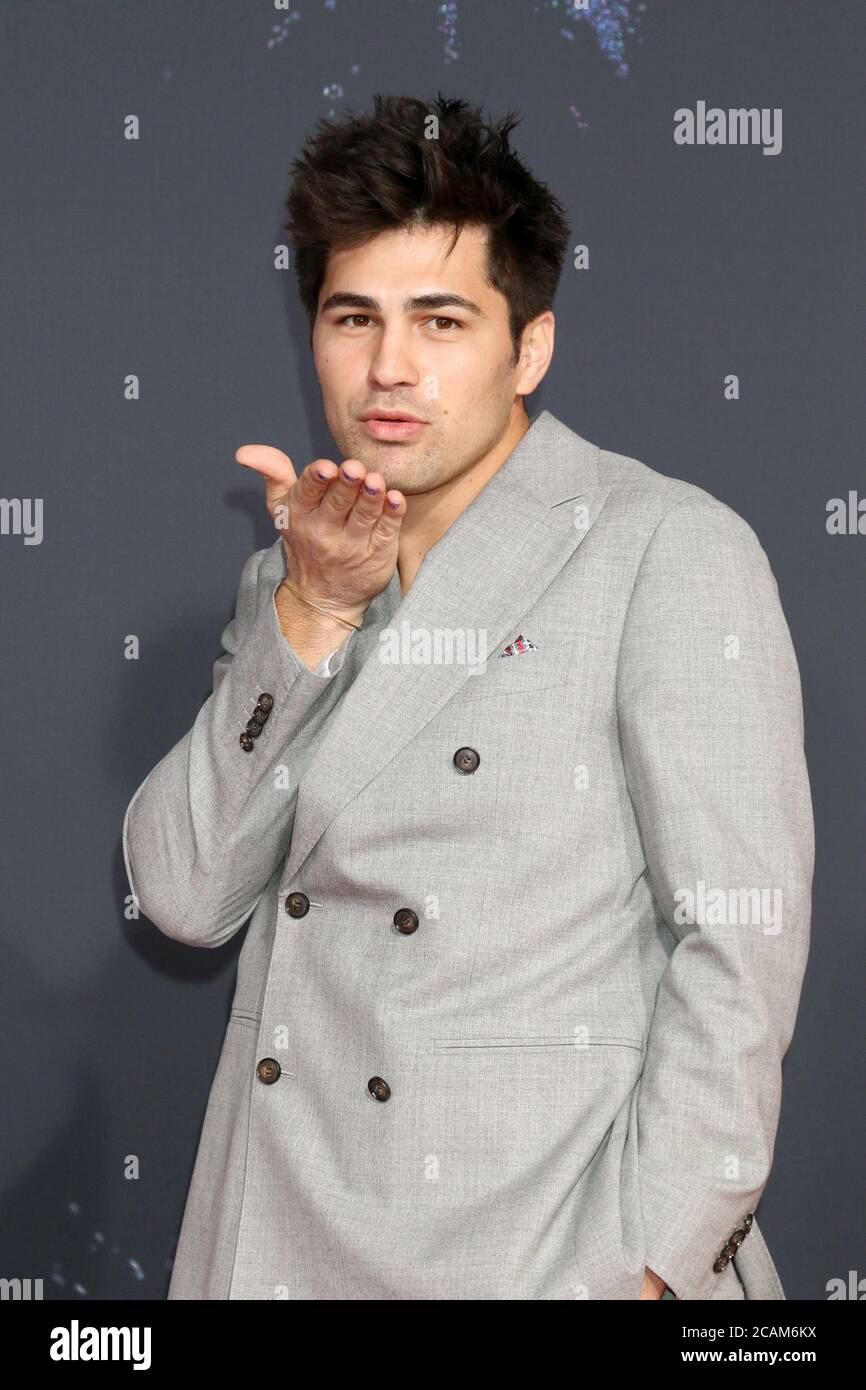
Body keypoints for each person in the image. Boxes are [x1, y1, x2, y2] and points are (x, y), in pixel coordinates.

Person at [122, 94, 814, 1300]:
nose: (390, 366)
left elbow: (739, 952)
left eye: (440, 320)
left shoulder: (665, 546)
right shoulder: (292, 574)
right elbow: (183, 897)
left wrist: (646, 1270)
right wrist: (314, 614)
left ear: (527, 346)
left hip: (535, 1247)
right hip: (284, 1235)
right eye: (355, 318)